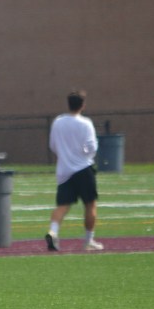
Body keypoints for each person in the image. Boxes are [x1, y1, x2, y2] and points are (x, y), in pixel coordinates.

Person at [45, 90, 102, 252]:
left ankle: (53, 232)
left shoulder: (58, 122)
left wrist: (65, 155)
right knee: (90, 205)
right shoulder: (85, 123)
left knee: (62, 205)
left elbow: (53, 145)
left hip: (64, 171)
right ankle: (89, 240)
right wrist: (83, 155)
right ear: (83, 105)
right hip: (83, 169)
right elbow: (92, 147)